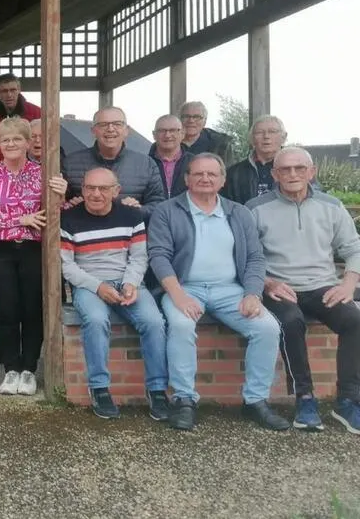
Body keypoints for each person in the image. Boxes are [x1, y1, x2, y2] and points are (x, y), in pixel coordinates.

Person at [148, 152, 290, 432]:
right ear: (187, 179)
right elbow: (159, 256)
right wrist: (177, 295)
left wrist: (252, 294)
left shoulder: (239, 212)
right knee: (179, 324)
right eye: (198, 173)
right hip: (185, 287)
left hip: (230, 290)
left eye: (212, 174)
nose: (205, 178)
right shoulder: (167, 210)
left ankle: (255, 401)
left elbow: (254, 258)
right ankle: (184, 399)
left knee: (267, 328)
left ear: (222, 180)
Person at [247, 147, 360, 435]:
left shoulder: (332, 206)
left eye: (299, 168)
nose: (292, 174)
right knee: (290, 322)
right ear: (274, 175)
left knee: (356, 322)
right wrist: (266, 282)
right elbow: (245, 256)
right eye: (285, 169)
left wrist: (348, 283)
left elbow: (354, 248)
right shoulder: (255, 208)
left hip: (323, 285)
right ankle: (305, 399)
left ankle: (347, 400)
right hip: (280, 287)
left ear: (312, 172)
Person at [60, 168, 169, 420]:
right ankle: (99, 388)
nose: (95, 194)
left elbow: (139, 257)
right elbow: (67, 264)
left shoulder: (132, 215)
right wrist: (98, 287)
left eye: (103, 189)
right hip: (88, 285)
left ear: (116, 191)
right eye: (89, 188)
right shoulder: (68, 219)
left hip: (127, 282)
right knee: (96, 320)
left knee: (153, 322)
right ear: (82, 190)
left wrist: (130, 283)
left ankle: (157, 390)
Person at [0, 117, 67, 396]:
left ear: (28, 142)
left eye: (16, 139)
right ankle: (10, 369)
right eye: (5, 140)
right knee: (7, 310)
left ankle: (28, 370)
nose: (10, 144)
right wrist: (20, 219)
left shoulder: (44, 174)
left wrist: (60, 197)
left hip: (33, 251)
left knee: (32, 310)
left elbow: (54, 217)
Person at [62, 107, 166, 216]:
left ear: (127, 130)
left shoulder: (146, 164)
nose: (110, 129)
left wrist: (138, 210)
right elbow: (59, 201)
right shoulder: (70, 163)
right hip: (83, 230)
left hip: (130, 231)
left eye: (117, 124)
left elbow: (158, 205)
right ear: (93, 131)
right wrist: (72, 206)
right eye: (103, 124)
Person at [222, 115, 287, 204]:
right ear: (252, 139)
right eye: (259, 132)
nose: (266, 136)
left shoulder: (296, 169)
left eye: (272, 132)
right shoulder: (234, 173)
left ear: (283, 137)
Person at [0, 73, 42, 162]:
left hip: (30, 167)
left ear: (19, 90)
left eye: (13, 90)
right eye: (4, 91)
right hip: (2, 167)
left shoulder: (37, 112)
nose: (9, 95)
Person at [148, 114, 193, 199]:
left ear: (183, 134)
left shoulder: (195, 163)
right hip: (154, 211)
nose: (167, 135)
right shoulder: (144, 164)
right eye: (162, 131)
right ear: (154, 135)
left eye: (173, 130)